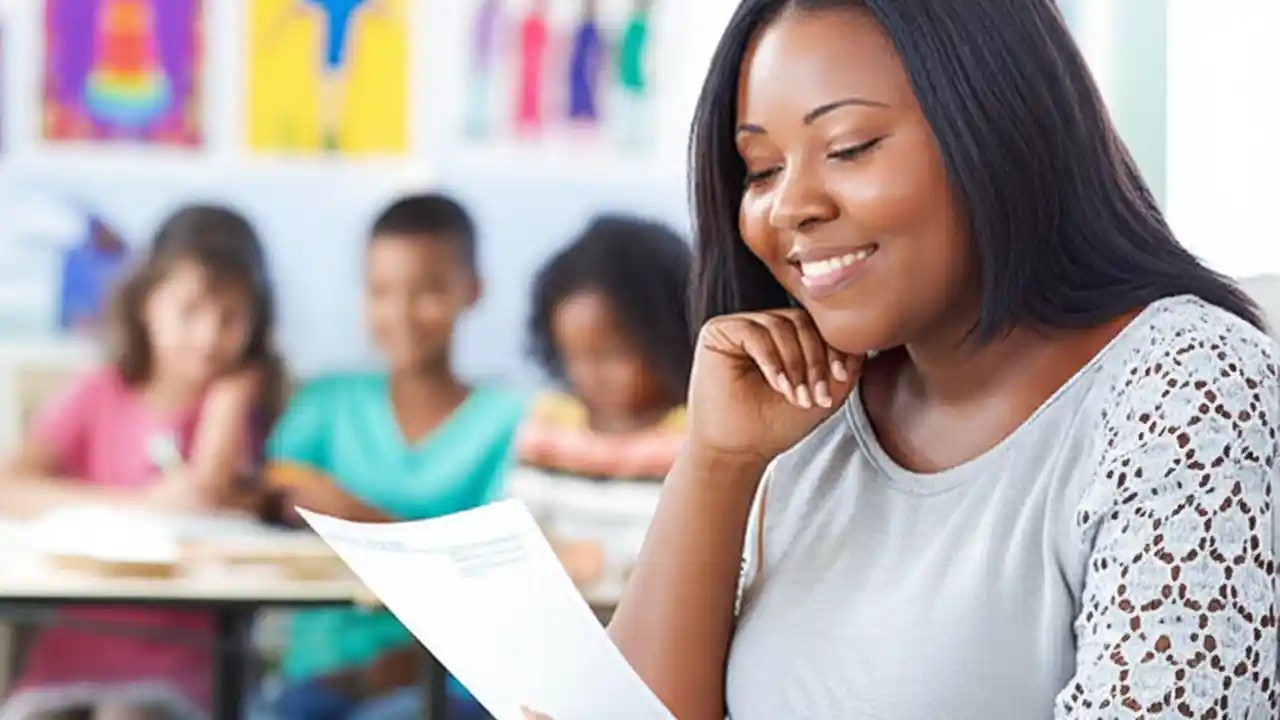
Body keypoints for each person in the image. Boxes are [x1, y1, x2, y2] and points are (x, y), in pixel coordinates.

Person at [603, 1, 1280, 719]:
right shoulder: (804, 422)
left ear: (1000, 124)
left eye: (851, 146)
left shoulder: (1191, 392)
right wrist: (715, 463)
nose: (789, 206)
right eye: (762, 169)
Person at [0, 205, 284, 720]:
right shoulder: (98, 391)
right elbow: (8, 486)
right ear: (147, 302)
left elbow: (205, 494)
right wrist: (140, 505)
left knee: (126, 714)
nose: (209, 336)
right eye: (190, 310)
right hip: (72, 657)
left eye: (231, 318)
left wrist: (231, 399)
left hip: (186, 666)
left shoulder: (240, 409)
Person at [265, 194, 524, 720]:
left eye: (428, 291)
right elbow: (275, 496)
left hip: (452, 679)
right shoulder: (327, 401)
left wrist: (352, 514)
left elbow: (500, 568)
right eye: (380, 291)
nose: (401, 313)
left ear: (472, 292)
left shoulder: (510, 420)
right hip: (320, 673)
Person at [511, 216, 693, 592]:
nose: (589, 374)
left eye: (610, 355)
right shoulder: (552, 423)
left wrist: (604, 563)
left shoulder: (693, 435)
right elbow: (521, 527)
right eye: (573, 355)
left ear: (668, 335)